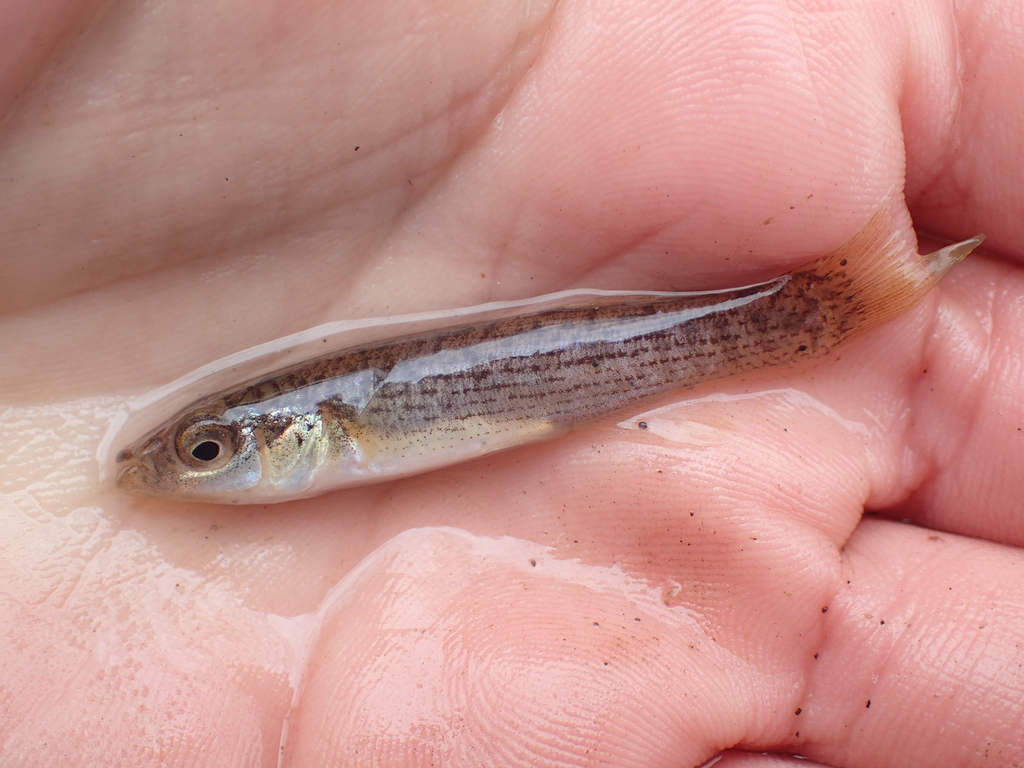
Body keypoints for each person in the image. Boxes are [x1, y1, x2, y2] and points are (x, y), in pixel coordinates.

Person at [1, 1, 1021, 765]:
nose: (188, 464)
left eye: (207, 451)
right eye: (204, 448)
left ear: (296, 434)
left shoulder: (335, 420)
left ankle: (834, 304)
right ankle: (839, 303)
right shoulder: (312, 428)